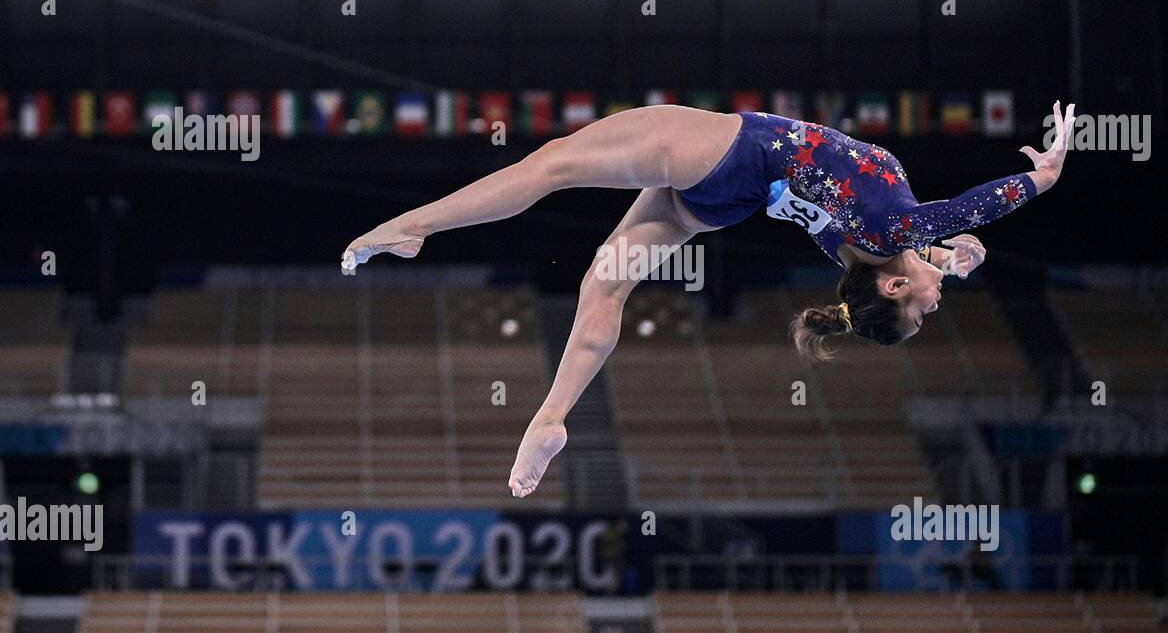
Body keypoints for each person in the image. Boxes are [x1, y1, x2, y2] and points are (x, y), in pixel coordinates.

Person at [343, 100, 1075, 496]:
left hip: (725, 151)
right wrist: (951, 259)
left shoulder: (895, 228)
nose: (934, 304)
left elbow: (971, 209)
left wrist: (1042, 179)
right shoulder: (873, 246)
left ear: (892, 284)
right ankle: (552, 413)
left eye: (918, 310)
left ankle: (414, 225)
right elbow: (940, 246)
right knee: (606, 278)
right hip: (730, 199)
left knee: (553, 167)